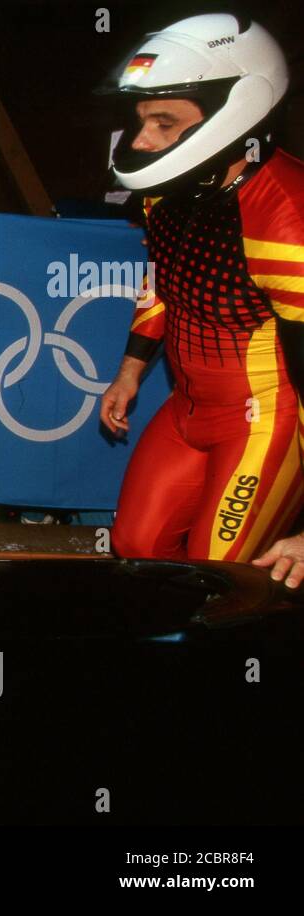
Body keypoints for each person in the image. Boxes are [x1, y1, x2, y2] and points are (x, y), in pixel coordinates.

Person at [97, 14, 303, 563]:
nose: (142, 140)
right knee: (135, 546)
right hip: (187, 407)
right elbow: (167, 278)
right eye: (142, 120)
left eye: (165, 123)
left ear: (237, 113)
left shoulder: (287, 219)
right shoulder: (168, 192)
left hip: (266, 421)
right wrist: (130, 370)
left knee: (220, 576)